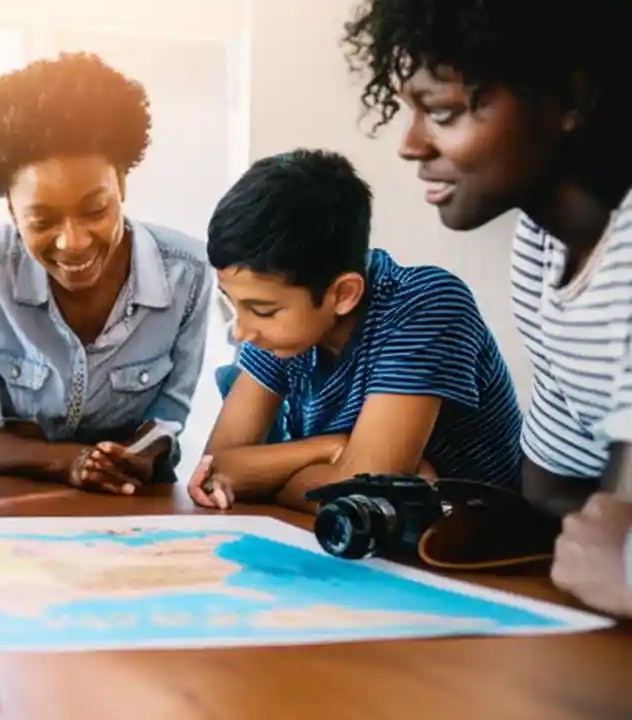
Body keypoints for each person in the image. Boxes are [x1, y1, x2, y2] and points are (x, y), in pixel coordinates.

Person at [342, 0, 631, 614]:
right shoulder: (541, 247)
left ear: (572, 99)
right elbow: (563, 505)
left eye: (441, 112)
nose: (410, 145)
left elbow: (615, 544)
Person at [187, 149, 522, 512]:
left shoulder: (426, 305)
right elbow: (215, 468)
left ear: (343, 294)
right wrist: (331, 447)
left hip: (475, 557)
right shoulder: (280, 334)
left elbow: (366, 496)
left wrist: (265, 480)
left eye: (262, 310)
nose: (241, 331)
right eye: (231, 303)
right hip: (361, 548)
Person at [0, 52, 210, 495]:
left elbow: (168, 418)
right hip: (1, 501)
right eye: (42, 221)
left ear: (121, 184)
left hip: (128, 502)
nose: (74, 242)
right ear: (11, 209)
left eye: (96, 210)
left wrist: (134, 456)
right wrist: (70, 461)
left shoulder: (189, 274)